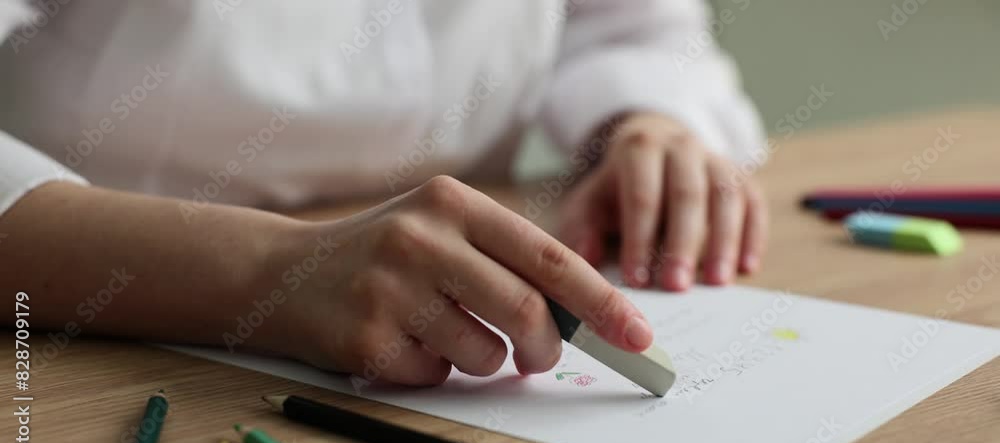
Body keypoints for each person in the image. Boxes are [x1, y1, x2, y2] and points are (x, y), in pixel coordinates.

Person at [0, 0, 767, 386]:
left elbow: (637, 29)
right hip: (84, 348)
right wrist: (268, 274)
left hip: (447, 333)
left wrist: (648, 119)